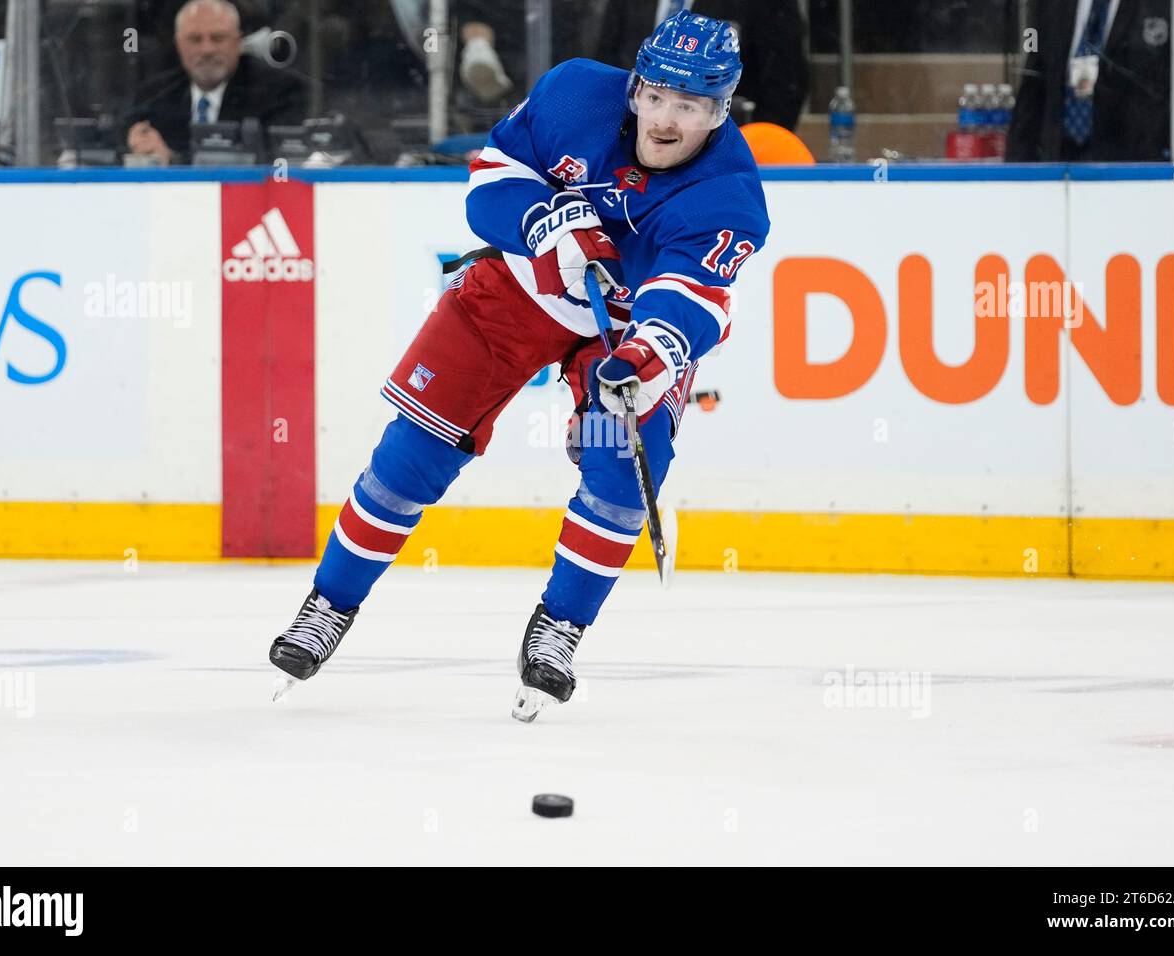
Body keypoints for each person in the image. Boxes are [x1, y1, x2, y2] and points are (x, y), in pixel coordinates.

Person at [267, 11, 770, 721]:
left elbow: (689, 302)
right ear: (634, 87)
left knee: (622, 474)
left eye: (688, 106)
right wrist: (546, 222)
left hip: (618, 337)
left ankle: (559, 627)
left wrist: (639, 361)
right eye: (655, 95)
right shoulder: (573, 96)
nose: (664, 119)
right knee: (414, 453)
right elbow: (490, 180)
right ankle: (327, 606)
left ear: (719, 112)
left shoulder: (729, 196)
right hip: (517, 293)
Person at [1007, 0, 1174, 162]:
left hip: (1141, 175)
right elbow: (1033, 88)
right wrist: (1016, 174)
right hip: (1059, 169)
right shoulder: (1051, 5)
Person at [122, 0, 306, 163]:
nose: (207, 49)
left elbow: (270, 159)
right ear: (179, 44)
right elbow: (115, 147)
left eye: (218, 38)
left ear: (237, 42)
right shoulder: (154, 95)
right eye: (195, 39)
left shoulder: (278, 91)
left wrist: (174, 160)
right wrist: (139, 144)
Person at [594, 0, 808, 130]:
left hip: (721, 152)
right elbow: (607, 65)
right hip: (632, 142)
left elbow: (785, 86)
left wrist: (741, 147)